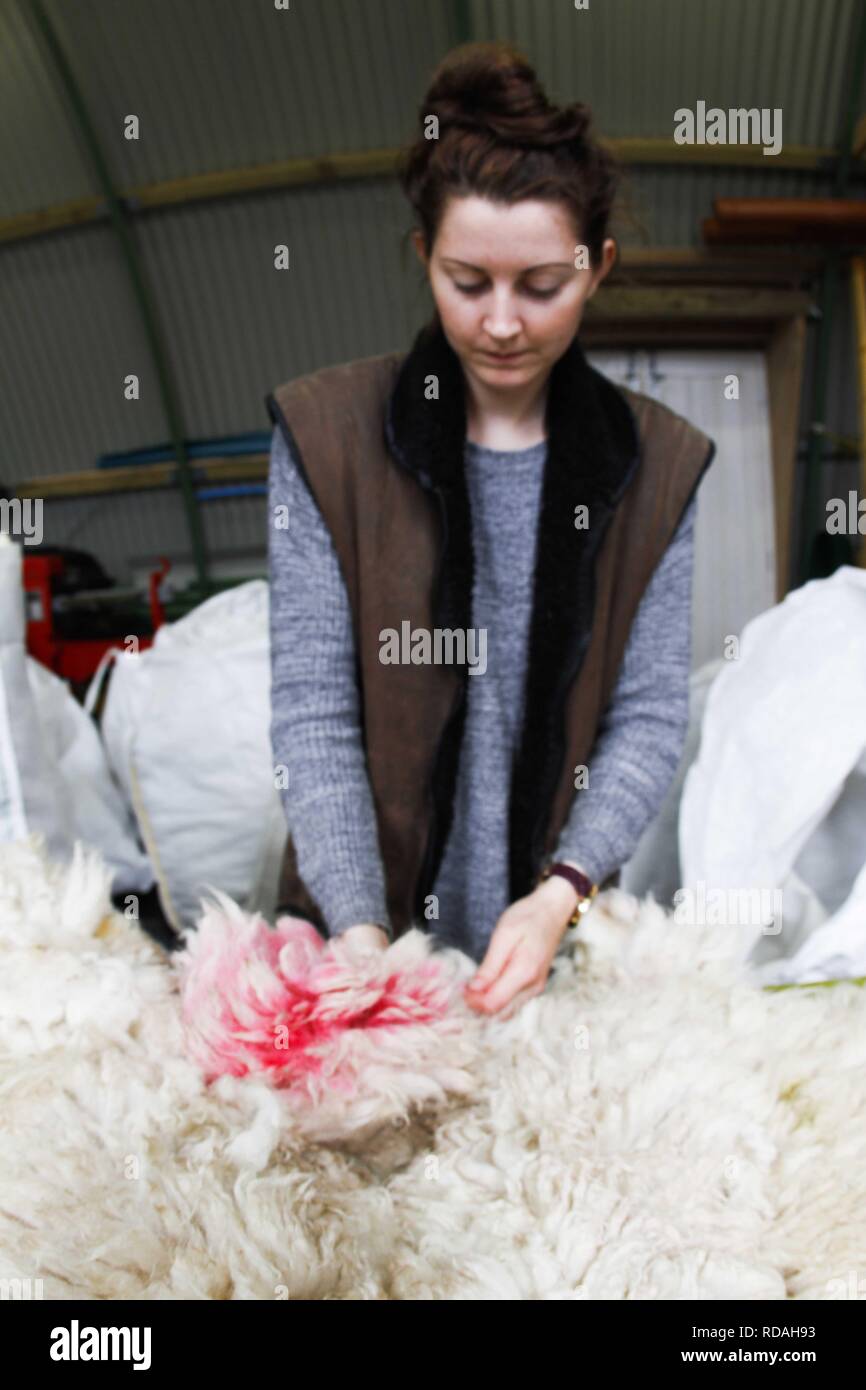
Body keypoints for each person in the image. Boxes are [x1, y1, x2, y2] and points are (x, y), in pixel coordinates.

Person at [266, 40, 715, 1021]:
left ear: (595, 268)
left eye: (540, 285)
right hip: (352, 949)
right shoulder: (327, 436)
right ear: (422, 255)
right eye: (468, 281)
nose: (502, 322)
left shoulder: (657, 464)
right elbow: (314, 718)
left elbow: (643, 721)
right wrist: (359, 933)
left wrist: (562, 890)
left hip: (552, 955)